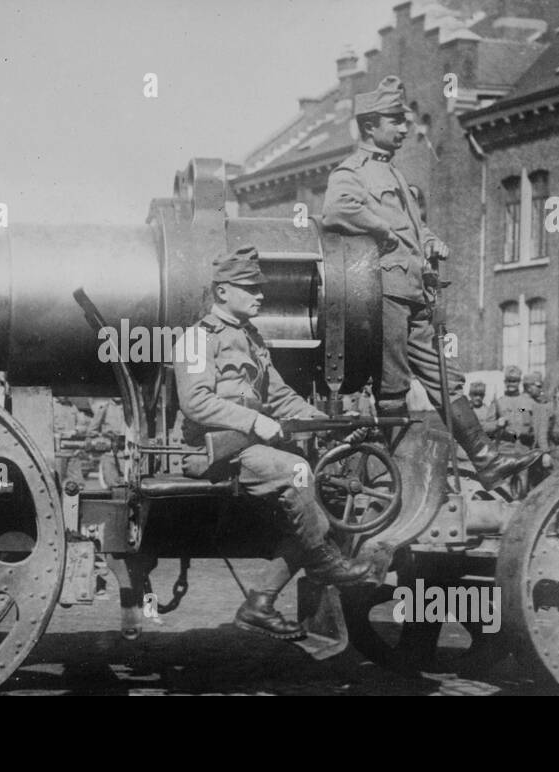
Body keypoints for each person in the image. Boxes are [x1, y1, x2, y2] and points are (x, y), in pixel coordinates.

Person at [321, 75, 540, 490]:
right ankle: (392, 477)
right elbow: (335, 210)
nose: (404, 128)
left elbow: (413, 229)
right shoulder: (353, 172)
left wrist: (430, 241)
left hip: (415, 292)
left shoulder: (397, 176)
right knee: (393, 383)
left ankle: (486, 459)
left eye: (405, 120)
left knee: (446, 378)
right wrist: (380, 228)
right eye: (394, 121)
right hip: (381, 293)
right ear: (369, 126)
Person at [174, 246, 389, 640]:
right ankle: (325, 563)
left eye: (260, 288)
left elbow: (281, 397)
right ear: (222, 292)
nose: (260, 295)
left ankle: (260, 604)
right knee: (297, 473)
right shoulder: (196, 339)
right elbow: (196, 401)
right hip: (210, 452)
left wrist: (331, 425)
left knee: (310, 506)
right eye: (250, 288)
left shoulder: (251, 339)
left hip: (246, 448)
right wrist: (256, 420)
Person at [485, 366, 538, 454]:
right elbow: (485, 428)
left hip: (525, 451)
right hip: (504, 451)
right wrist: (497, 424)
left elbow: (537, 426)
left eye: (514, 381)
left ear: (519, 382)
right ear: (505, 382)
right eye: (509, 381)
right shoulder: (498, 402)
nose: (511, 384)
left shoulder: (529, 402)